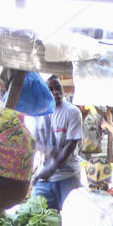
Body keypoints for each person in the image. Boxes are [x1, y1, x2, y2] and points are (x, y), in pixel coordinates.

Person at [31, 75, 83, 209]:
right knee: (35, 215)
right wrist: (48, 150)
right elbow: (33, 142)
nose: (56, 92)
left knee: (70, 218)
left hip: (68, 178)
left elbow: (70, 146)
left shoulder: (72, 112)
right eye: (50, 89)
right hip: (45, 180)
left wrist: (50, 169)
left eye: (58, 88)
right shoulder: (37, 113)